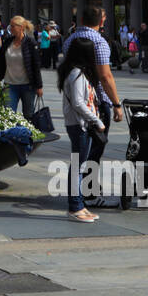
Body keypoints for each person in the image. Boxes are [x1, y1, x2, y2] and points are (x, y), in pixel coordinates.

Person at [59, 37, 105, 223]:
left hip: (79, 124)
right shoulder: (76, 74)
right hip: (79, 125)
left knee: (79, 165)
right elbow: (78, 102)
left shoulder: (76, 72)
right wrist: (96, 120)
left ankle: (79, 205)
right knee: (78, 166)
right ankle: (75, 206)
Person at [0, 16, 44, 119]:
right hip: (10, 85)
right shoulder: (7, 42)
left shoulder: (30, 43)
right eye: (10, 26)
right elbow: (0, 62)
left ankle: (26, 134)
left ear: (21, 27)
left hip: (28, 86)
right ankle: (11, 135)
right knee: (8, 116)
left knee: (28, 116)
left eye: (12, 26)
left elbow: (36, 66)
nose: (10, 28)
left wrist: (39, 86)